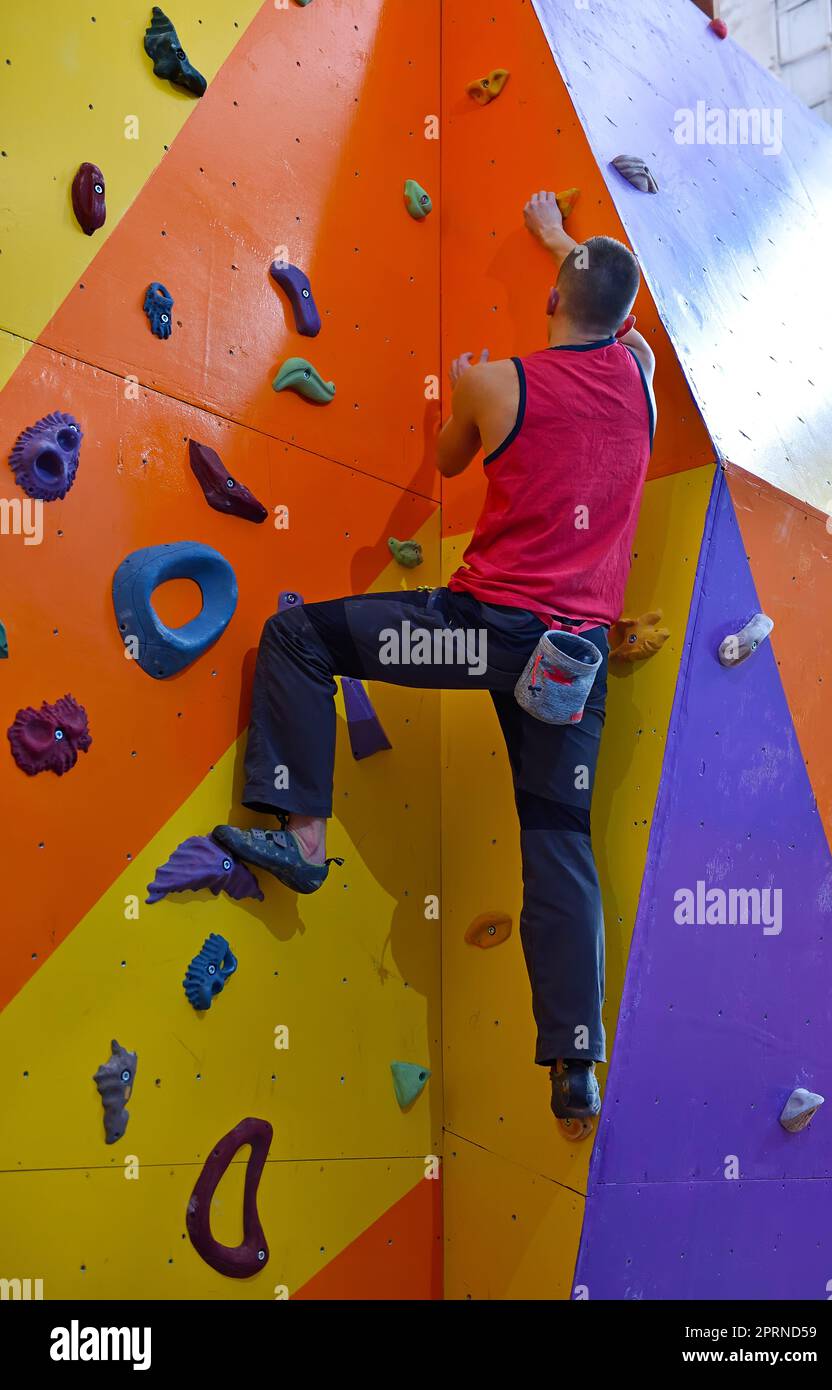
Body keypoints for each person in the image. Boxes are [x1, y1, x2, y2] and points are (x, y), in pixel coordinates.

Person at [213, 191, 656, 1123]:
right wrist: (561, 242)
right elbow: (611, 293)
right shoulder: (642, 380)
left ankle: (300, 838)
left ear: (550, 302)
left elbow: (452, 462)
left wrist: (463, 383)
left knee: (299, 638)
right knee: (557, 843)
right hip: (570, 661)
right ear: (622, 316)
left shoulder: (498, 384)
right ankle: (574, 1064)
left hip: (473, 632)